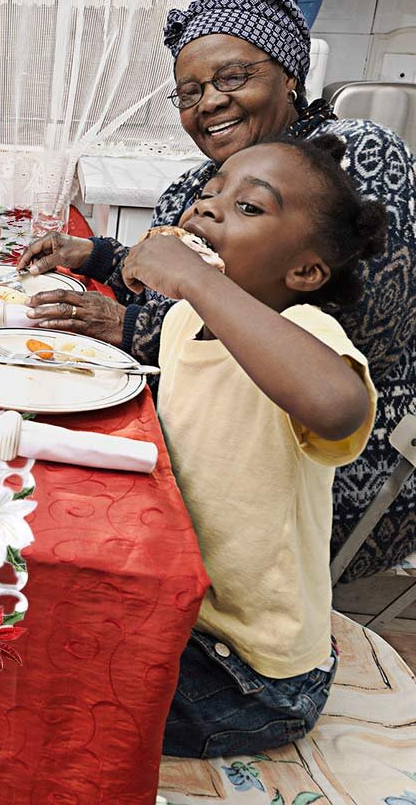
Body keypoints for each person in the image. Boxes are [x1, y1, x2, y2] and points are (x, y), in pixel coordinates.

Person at [18, 0, 416, 580]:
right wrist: (101, 257)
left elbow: (355, 332)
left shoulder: (353, 157)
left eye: (231, 77)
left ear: (289, 76)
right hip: (206, 423)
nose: (208, 103)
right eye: (190, 92)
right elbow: (167, 281)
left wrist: (136, 328)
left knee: (88, 532)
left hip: (319, 476)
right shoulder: (198, 186)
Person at [121, 132, 382, 757]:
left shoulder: (305, 331)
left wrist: (199, 281)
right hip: (186, 611)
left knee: (67, 700)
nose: (209, 207)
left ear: (305, 271)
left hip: (253, 672)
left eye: (249, 208)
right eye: (209, 193)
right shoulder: (186, 319)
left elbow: (338, 407)